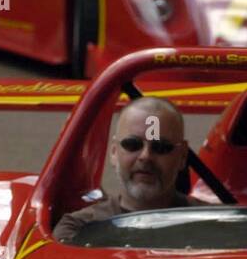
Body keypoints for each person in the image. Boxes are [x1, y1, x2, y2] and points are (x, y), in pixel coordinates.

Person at [53, 96, 190, 242]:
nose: (145, 156)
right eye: (132, 144)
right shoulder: (77, 230)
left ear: (182, 156)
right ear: (113, 152)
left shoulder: (214, 223)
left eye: (161, 147)